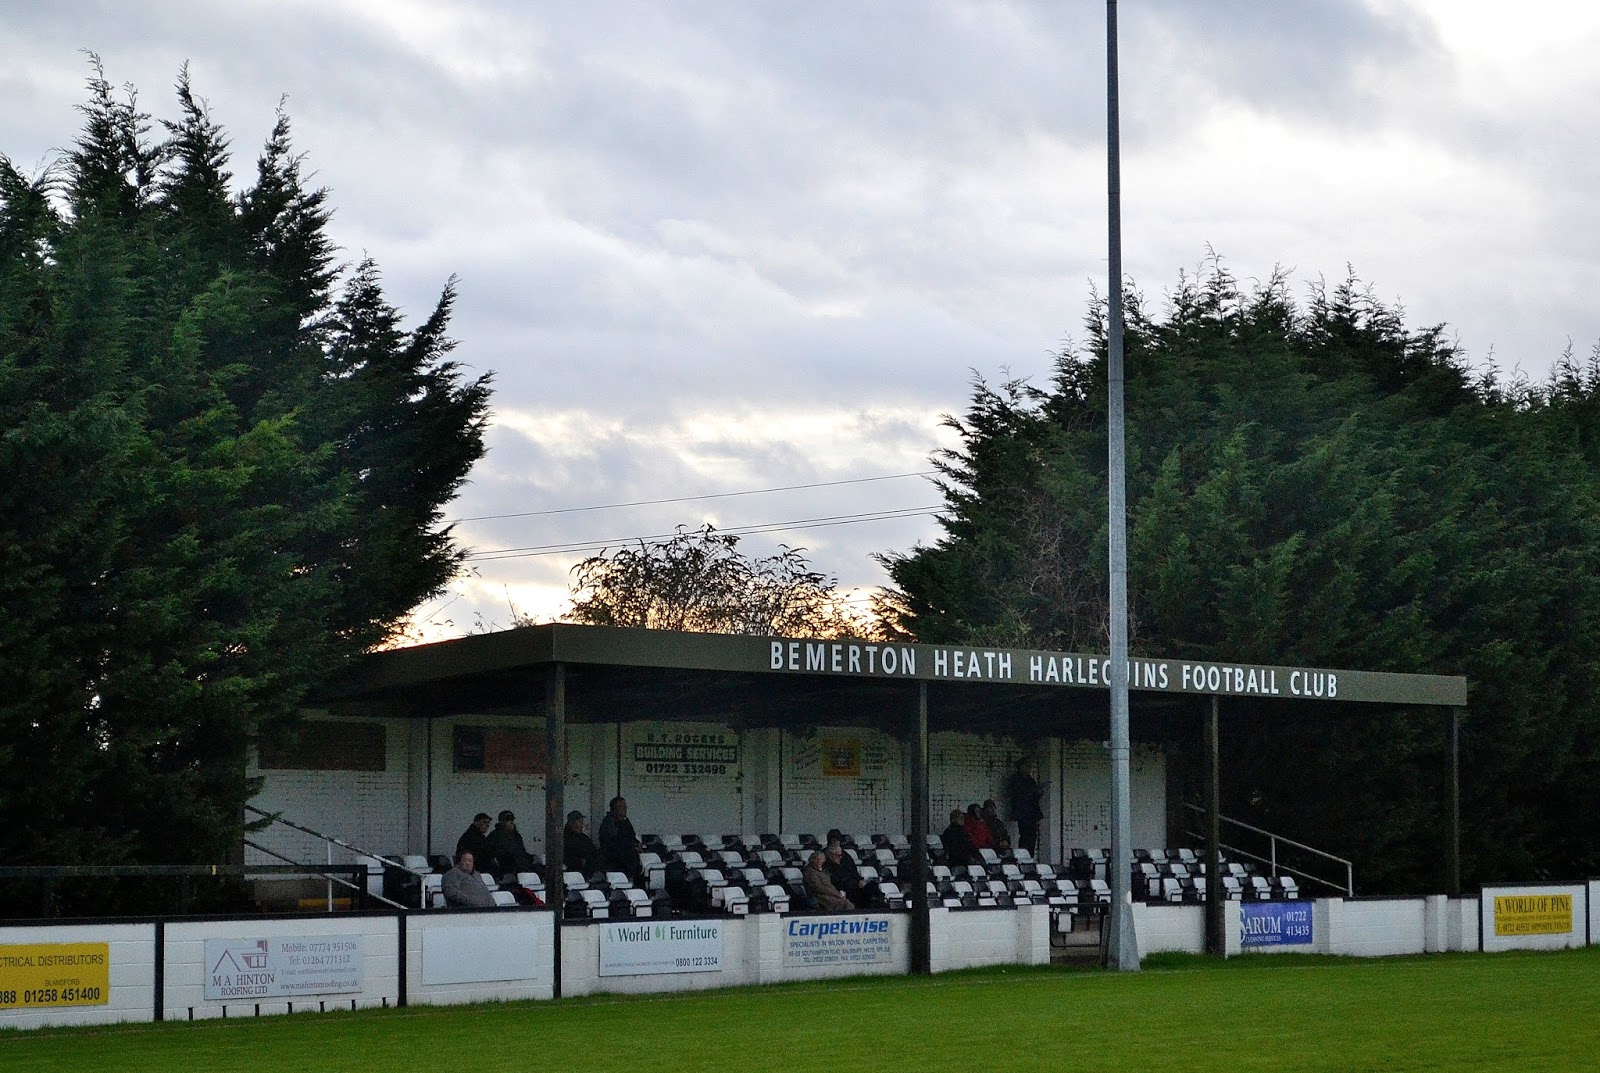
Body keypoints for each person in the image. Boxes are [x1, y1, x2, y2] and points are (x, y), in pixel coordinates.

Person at [598, 796, 643, 884]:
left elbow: (632, 837)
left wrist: (637, 844)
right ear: (615, 808)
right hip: (613, 858)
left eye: (625, 806)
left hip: (628, 856)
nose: (625, 809)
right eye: (622, 806)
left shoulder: (626, 822)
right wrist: (632, 846)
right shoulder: (609, 822)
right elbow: (612, 842)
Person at [824, 839, 878, 909]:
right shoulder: (827, 867)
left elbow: (854, 874)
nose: (841, 857)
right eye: (839, 855)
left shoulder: (846, 861)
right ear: (831, 856)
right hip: (842, 890)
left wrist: (859, 881)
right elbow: (835, 883)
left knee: (871, 886)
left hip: (852, 887)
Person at [1005, 760, 1044, 856]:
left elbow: (1035, 797)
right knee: (1024, 836)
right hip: (1022, 812)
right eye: (1025, 767)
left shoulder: (1030, 780)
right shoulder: (1015, 779)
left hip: (1031, 813)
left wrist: (1039, 793)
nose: (1027, 769)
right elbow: (1014, 794)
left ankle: (1030, 856)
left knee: (1032, 837)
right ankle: (1023, 856)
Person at [485, 809, 536, 876]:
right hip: (506, 866)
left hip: (520, 864)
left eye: (512, 820)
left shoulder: (516, 835)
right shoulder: (494, 836)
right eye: (508, 820)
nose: (511, 822)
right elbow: (494, 854)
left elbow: (522, 851)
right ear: (501, 821)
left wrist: (531, 857)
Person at [455, 812, 497, 876]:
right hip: (475, 870)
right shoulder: (470, 837)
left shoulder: (479, 837)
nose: (487, 825)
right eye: (484, 822)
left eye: (488, 823)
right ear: (476, 823)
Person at [563, 810, 600, 876]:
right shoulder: (566, 838)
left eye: (582, 820)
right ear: (571, 823)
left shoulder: (583, 837)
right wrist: (580, 862)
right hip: (575, 870)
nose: (582, 823)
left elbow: (593, 850)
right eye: (579, 821)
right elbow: (566, 856)